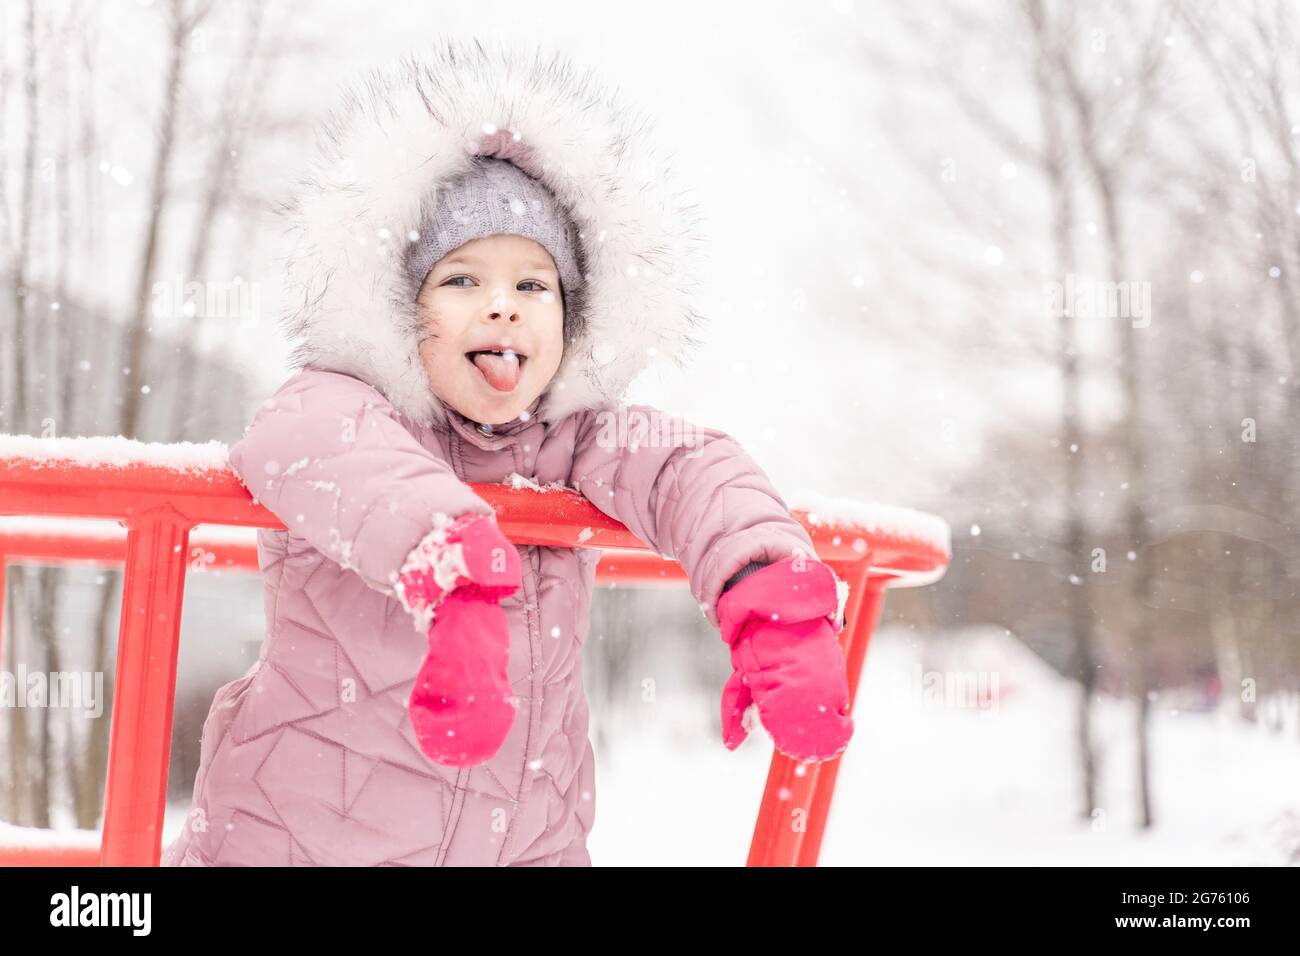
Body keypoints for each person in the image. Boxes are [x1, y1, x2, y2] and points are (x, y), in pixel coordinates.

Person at [162, 36, 852, 867]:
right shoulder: (345, 403)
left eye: (533, 286)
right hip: (299, 844)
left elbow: (687, 467)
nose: (502, 309)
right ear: (397, 307)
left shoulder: (577, 439)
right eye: (460, 281)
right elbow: (301, 442)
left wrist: (771, 601)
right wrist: (449, 567)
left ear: (573, 322)